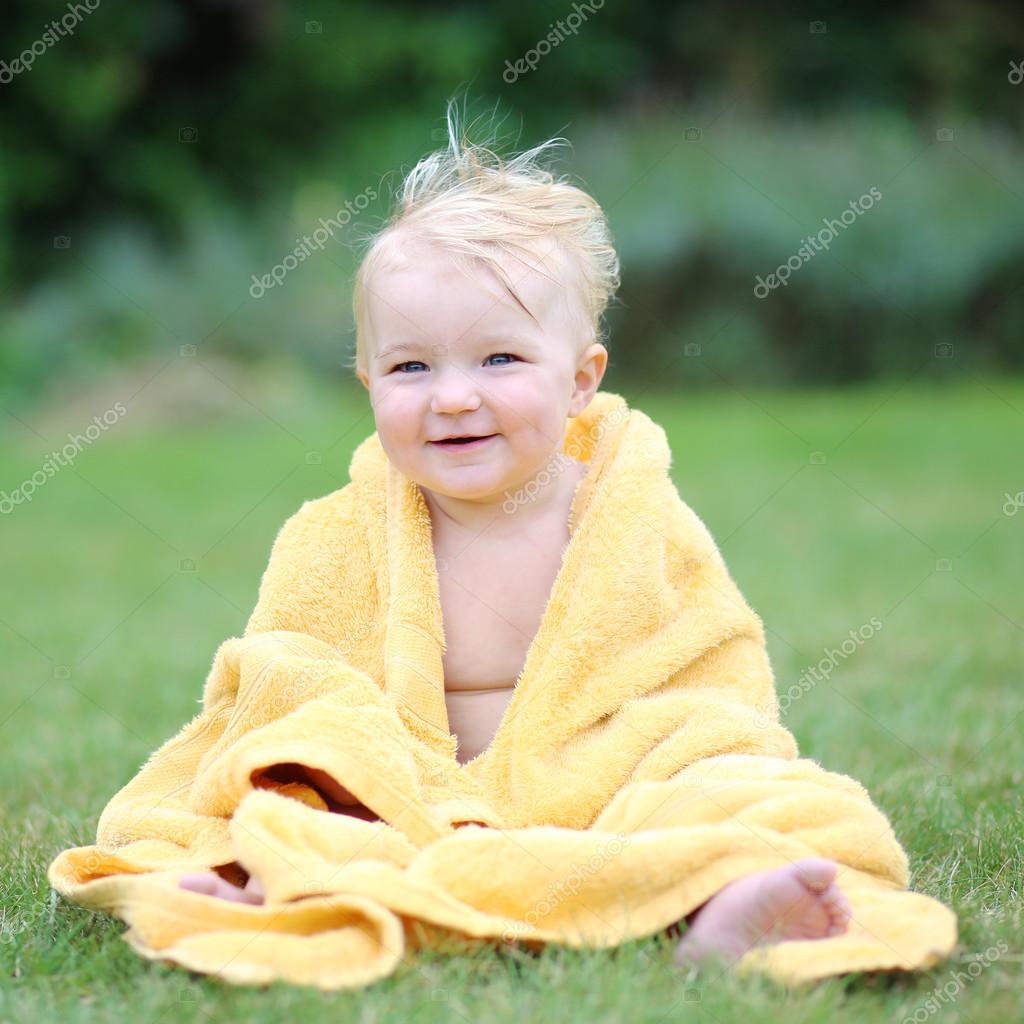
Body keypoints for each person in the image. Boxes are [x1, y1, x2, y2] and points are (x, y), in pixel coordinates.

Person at [178, 103, 851, 968]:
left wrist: (689, 757)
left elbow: (706, 668)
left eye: (498, 360)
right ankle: (259, 886)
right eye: (410, 366)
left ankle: (723, 899)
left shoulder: (624, 516)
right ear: (367, 381)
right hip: (410, 806)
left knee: (734, 793)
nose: (452, 396)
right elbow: (287, 681)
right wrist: (321, 757)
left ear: (580, 381)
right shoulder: (342, 535)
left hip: (599, 794)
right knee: (291, 798)